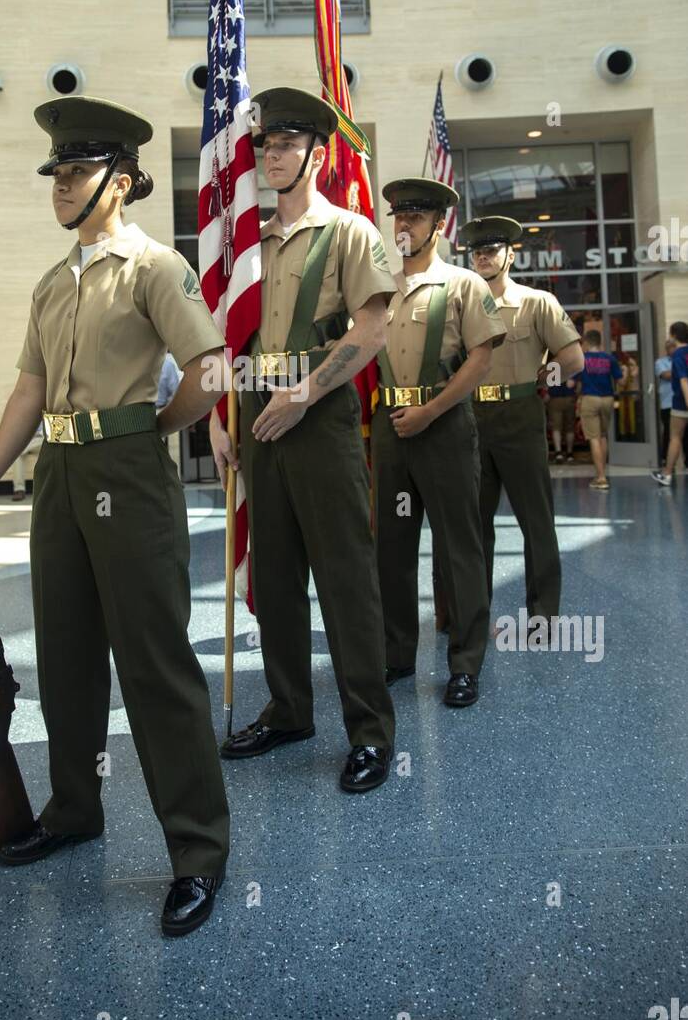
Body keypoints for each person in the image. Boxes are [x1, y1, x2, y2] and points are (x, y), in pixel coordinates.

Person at [0, 96, 231, 937]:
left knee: (154, 660)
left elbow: (210, 367)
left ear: (122, 181)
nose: (60, 185)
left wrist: (149, 435)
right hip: (59, 473)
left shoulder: (153, 268)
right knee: (65, 653)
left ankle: (199, 852)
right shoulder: (50, 284)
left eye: (75, 171)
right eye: (55, 173)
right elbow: (29, 389)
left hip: (128, 469)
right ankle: (74, 809)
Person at [210, 86, 397, 793]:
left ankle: (371, 731)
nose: (270, 156)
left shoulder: (349, 231)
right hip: (258, 412)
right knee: (276, 576)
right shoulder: (247, 244)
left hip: (316, 417)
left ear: (318, 154)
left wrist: (306, 392)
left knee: (345, 578)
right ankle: (290, 709)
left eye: (285, 144)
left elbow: (371, 329)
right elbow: (230, 336)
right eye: (263, 145)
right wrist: (218, 417)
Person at [372, 179, 506, 708]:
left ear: (439, 225)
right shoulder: (379, 286)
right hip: (391, 424)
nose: (403, 225)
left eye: (416, 217)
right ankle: (398, 652)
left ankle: (465, 662)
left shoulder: (463, 284)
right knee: (392, 548)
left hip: (444, 424)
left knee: (459, 549)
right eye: (398, 217)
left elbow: (480, 359)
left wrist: (430, 410)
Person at [465, 217, 584, 617]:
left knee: (536, 521)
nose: (483, 256)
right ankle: (473, 614)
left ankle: (543, 614)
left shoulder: (537, 302)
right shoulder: (460, 304)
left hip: (519, 415)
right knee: (472, 526)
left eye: (491, 249)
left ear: (510, 255)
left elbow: (573, 359)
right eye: (477, 251)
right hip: (470, 417)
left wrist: (541, 380)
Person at [576, 329, 623, 490]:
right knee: (603, 436)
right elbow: (620, 381)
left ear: (587, 343)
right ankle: (602, 473)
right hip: (607, 399)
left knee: (593, 438)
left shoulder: (582, 359)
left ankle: (601, 477)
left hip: (590, 399)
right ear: (600, 342)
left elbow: (571, 383)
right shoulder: (610, 358)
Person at [653, 320, 688, 487]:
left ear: (674, 335)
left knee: (675, 437)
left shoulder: (679, 355)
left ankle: (666, 473)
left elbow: (684, 381)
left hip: (681, 403)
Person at [546, 373, 577, 463]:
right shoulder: (571, 362)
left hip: (554, 398)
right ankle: (569, 453)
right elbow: (572, 383)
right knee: (570, 427)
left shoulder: (549, 363)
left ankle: (558, 453)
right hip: (569, 397)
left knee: (556, 427)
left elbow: (545, 384)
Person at [9, 421, 43, 501]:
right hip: (28, 439)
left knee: (17, 451)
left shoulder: (49, 409)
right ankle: (19, 489)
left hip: (44, 439)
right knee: (17, 455)